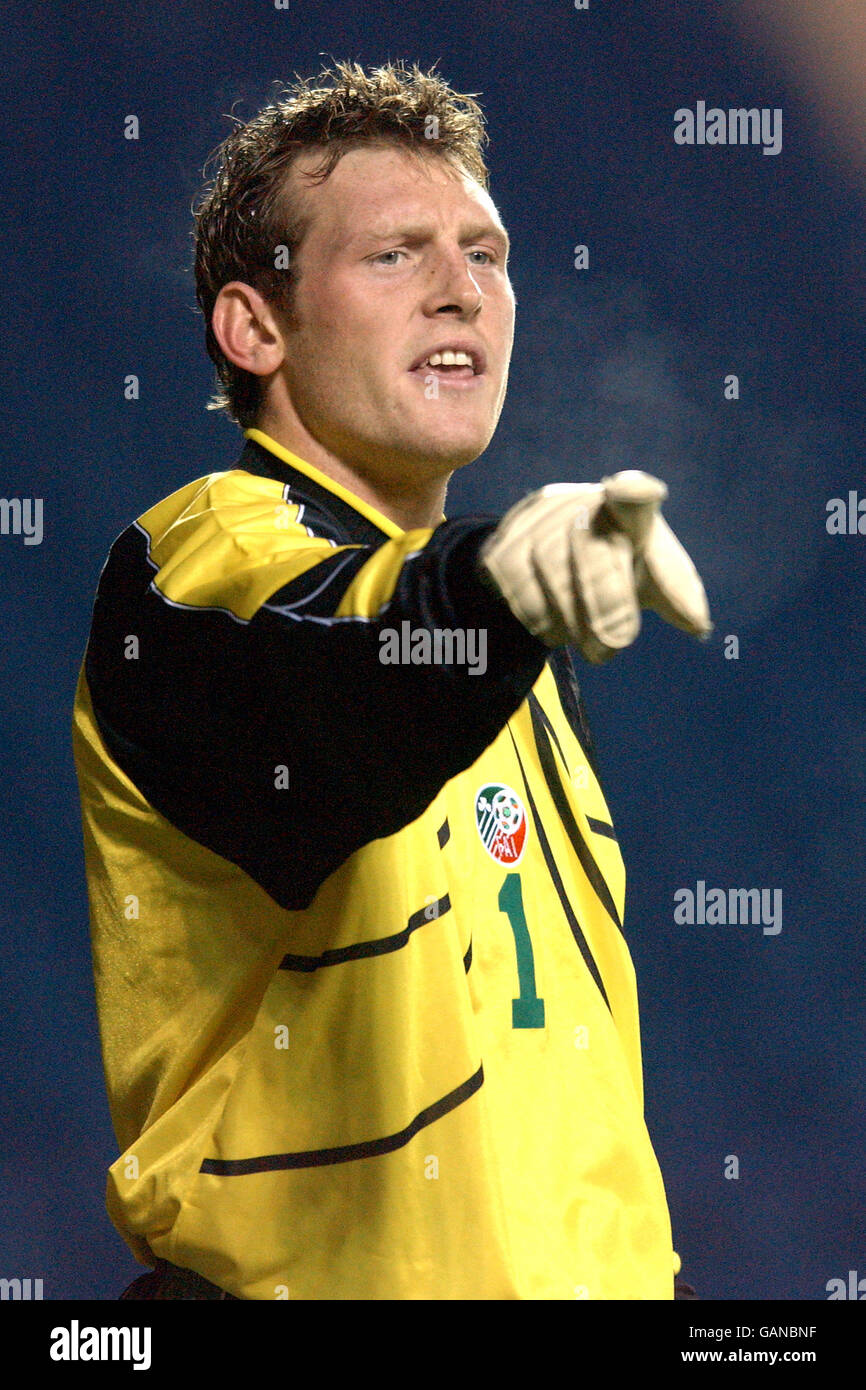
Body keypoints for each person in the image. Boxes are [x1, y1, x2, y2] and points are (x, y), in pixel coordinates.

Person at [72, 60, 709, 1301]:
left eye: (485, 253)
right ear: (256, 329)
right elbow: (334, 698)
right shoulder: (196, 561)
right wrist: (491, 581)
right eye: (393, 255)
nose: (459, 289)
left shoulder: (517, 664)